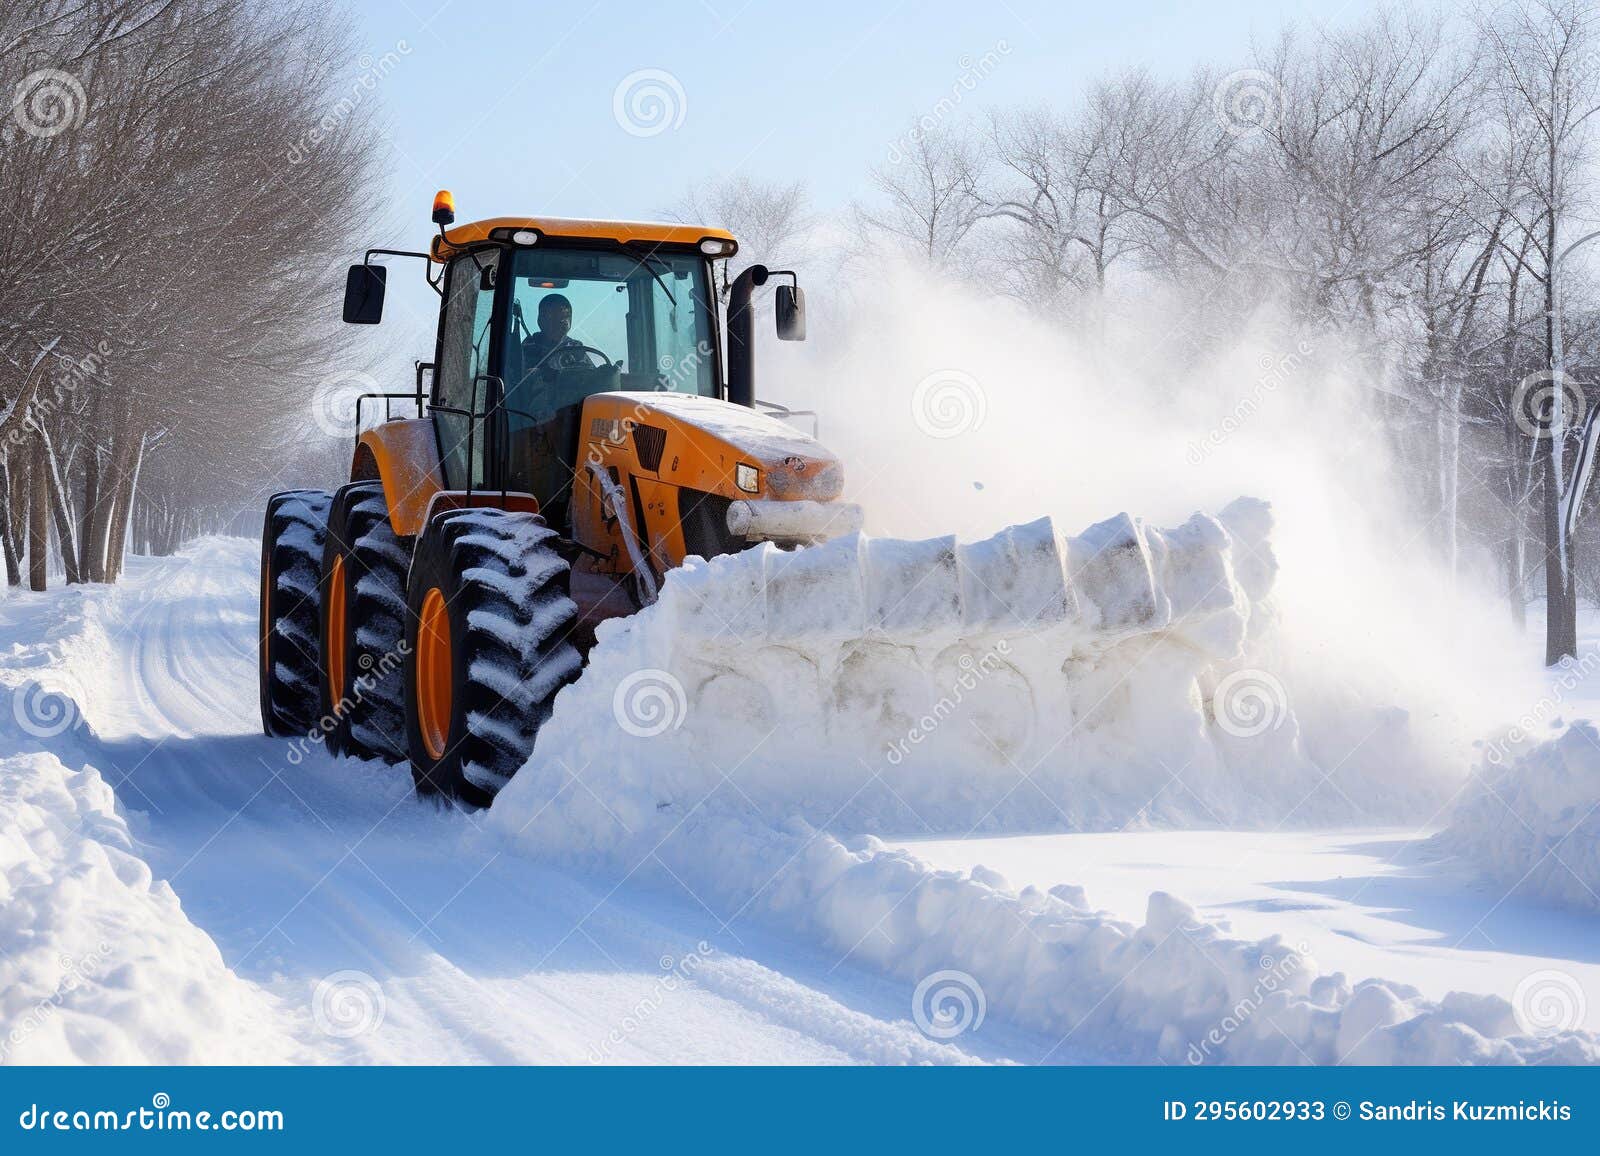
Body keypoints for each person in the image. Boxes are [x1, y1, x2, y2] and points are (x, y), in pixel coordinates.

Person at [521, 292, 581, 375]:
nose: (564, 321)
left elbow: (589, 375)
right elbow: (516, 375)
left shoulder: (575, 347)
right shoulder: (529, 346)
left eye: (567, 316)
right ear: (541, 320)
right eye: (556, 316)